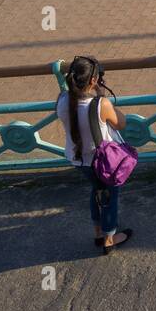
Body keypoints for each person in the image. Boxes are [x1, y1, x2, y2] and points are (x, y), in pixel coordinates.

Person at [57, 56, 133, 253]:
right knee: (109, 196)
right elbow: (121, 123)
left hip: (77, 159)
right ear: (93, 81)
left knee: (96, 190)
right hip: (102, 162)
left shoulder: (62, 99)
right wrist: (101, 95)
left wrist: (94, 91)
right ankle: (109, 239)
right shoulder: (101, 104)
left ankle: (98, 232)